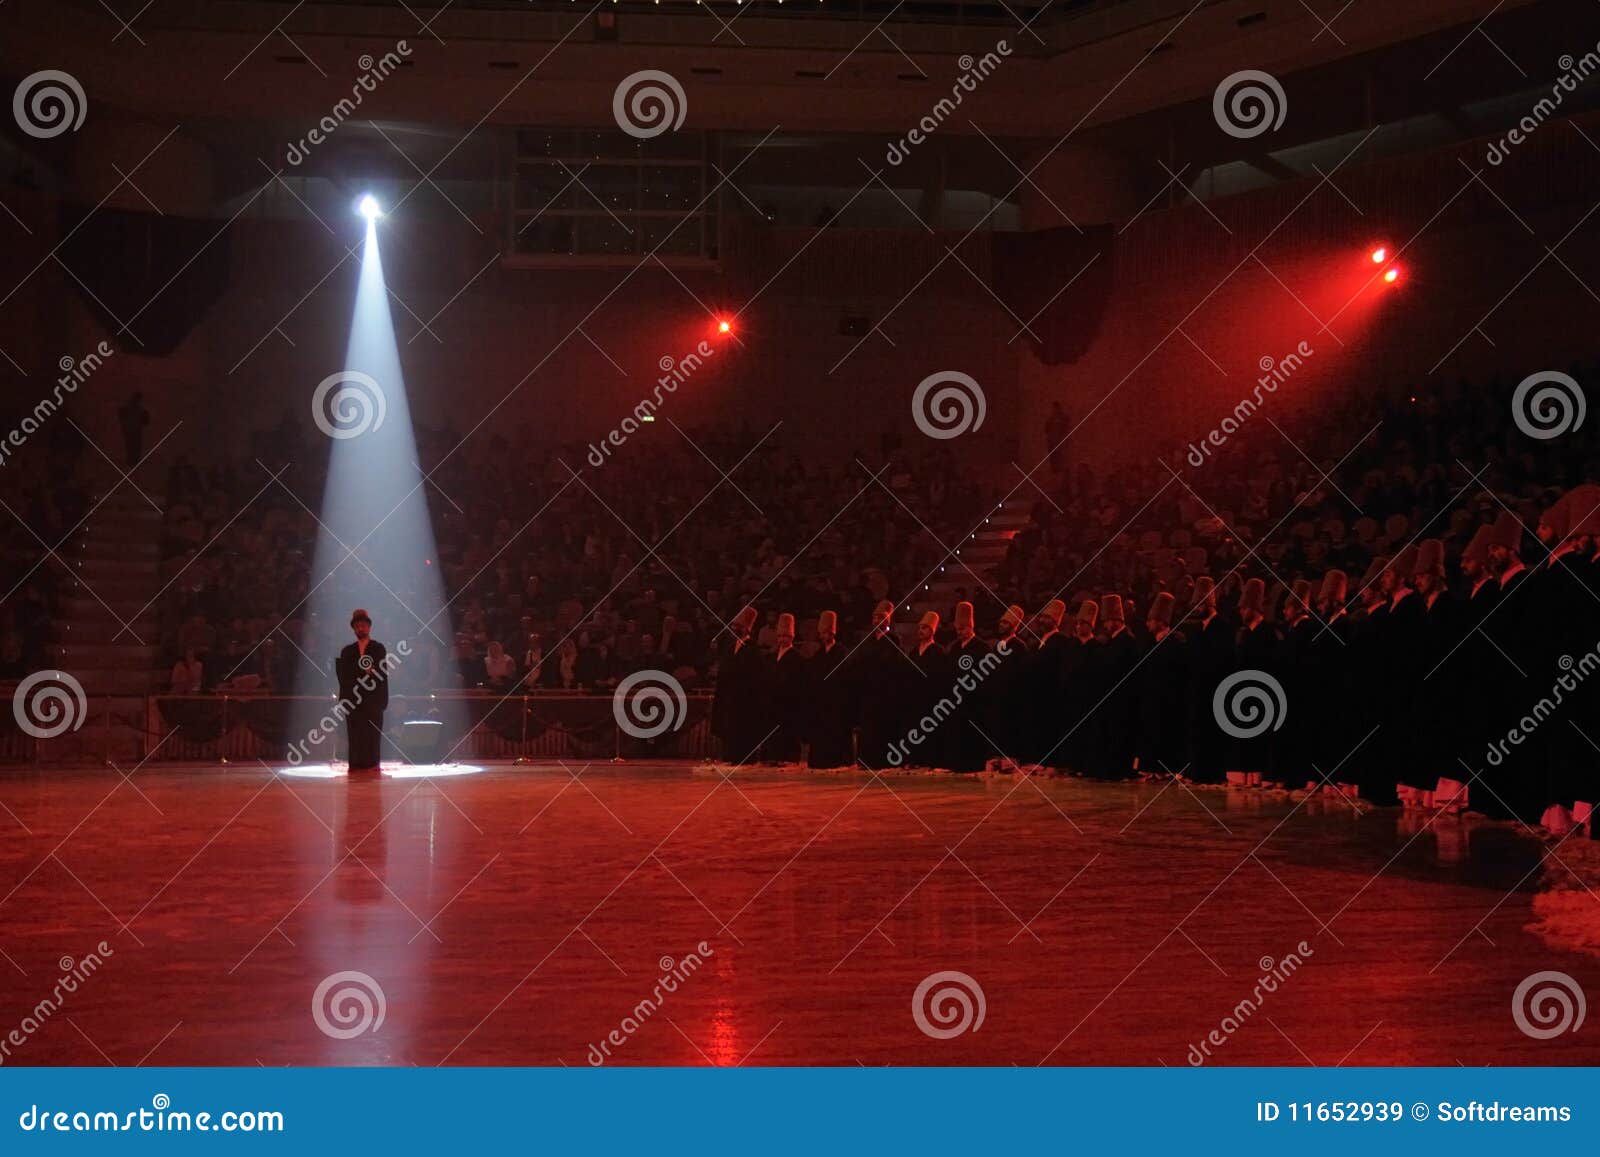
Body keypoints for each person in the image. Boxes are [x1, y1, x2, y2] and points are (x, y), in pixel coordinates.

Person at [335, 609, 389, 772]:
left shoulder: (378, 648)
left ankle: (372, 763)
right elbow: (343, 675)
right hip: (354, 698)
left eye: (363, 626)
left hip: (373, 698)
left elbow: (382, 672)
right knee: (355, 732)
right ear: (354, 628)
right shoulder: (347, 651)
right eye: (358, 626)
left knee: (372, 732)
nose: (361, 629)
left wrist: (371, 672)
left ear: (369, 627)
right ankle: (356, 763)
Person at [806, 610, 854, 768]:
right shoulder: (819, 654)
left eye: (826, 632)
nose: (823, 636)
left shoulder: (841, 652)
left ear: (832, 633)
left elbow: (845, 678)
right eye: (821, 633)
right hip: (822, 702)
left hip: (836, 702)